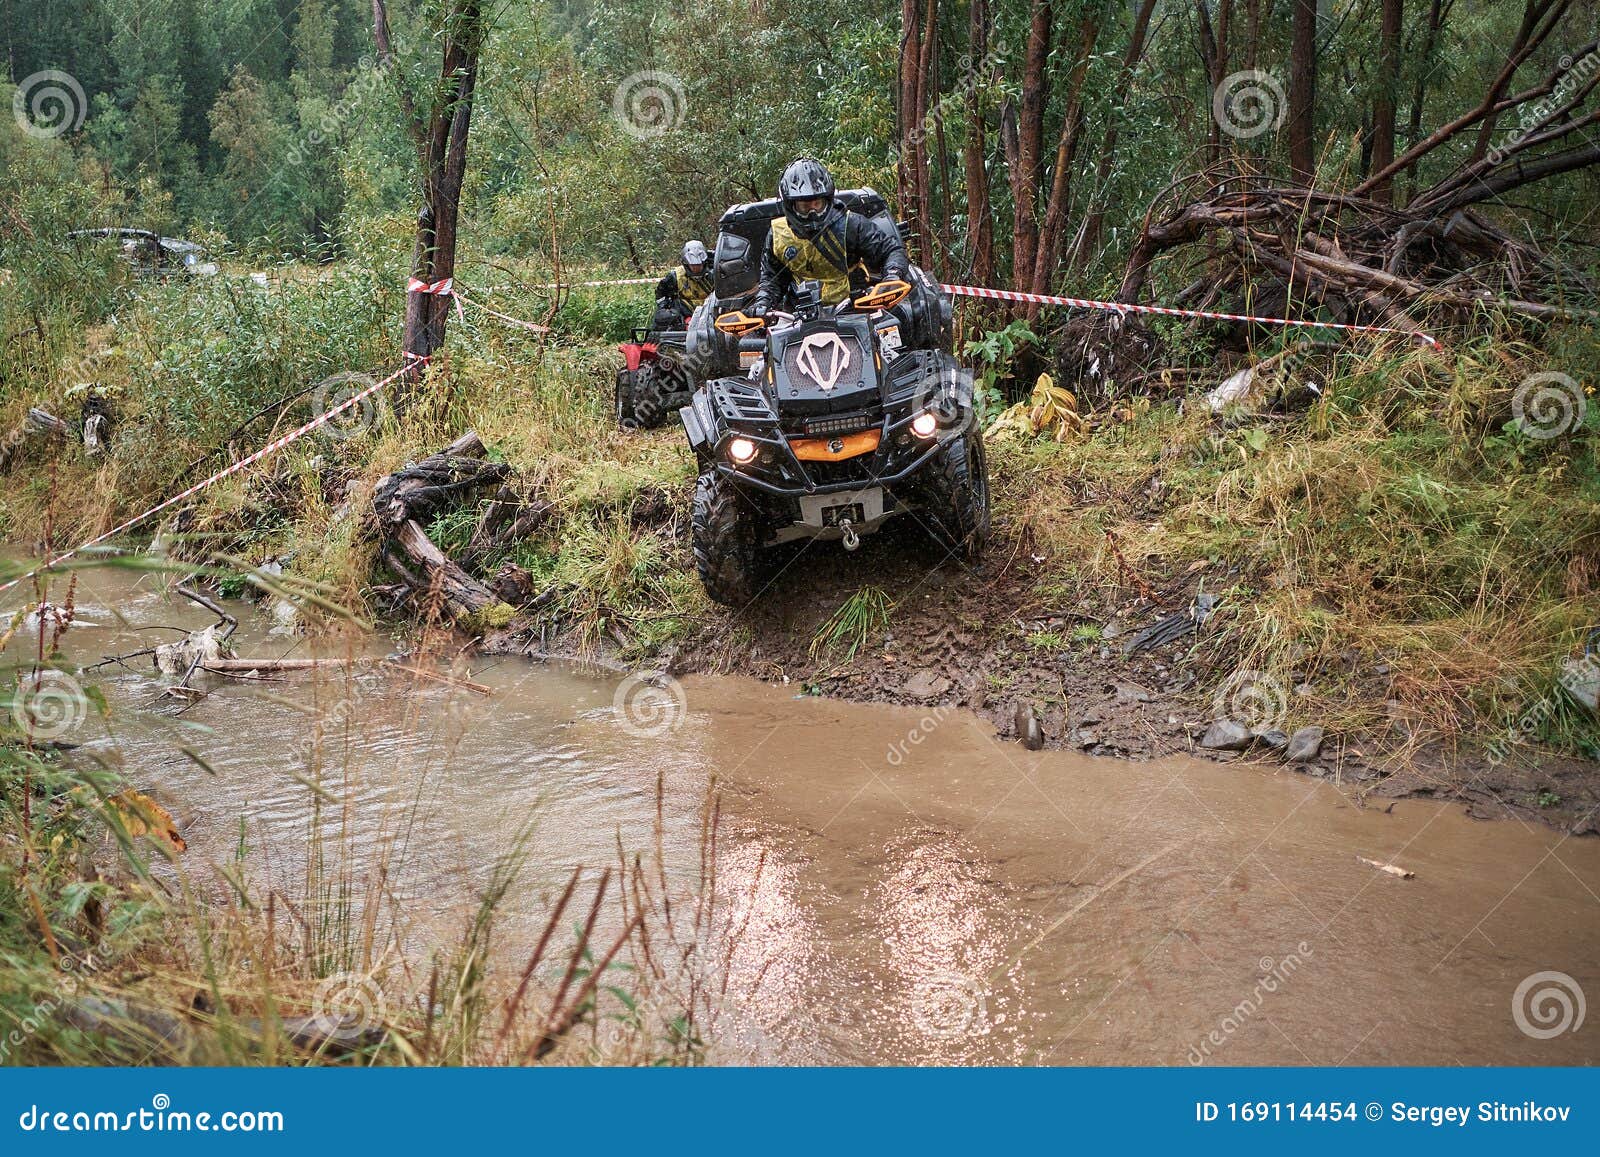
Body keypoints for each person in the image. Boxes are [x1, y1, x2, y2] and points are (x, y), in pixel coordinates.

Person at [750, 158, 909, 317]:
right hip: (799, 314)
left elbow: (890, 250)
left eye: (817, 205)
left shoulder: (850, 224)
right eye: (804, 207)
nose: (812, 213)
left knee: (899, 323)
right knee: (757, 339)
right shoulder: (777, 234)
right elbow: (772, 280)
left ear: (828, 199)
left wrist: (892, 276)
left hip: (855, 306)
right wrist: (763, 302)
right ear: (790, 205)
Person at [655, 240, 714, 326]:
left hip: (710, 315)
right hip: (683, 316)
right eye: (693, 266)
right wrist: (664, 307)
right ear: (686, 264)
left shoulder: (714, 274)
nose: (696, 269)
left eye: (699, 265)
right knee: (661, 317)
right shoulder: (675, 276)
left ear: (704, 263)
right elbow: (660, 293)